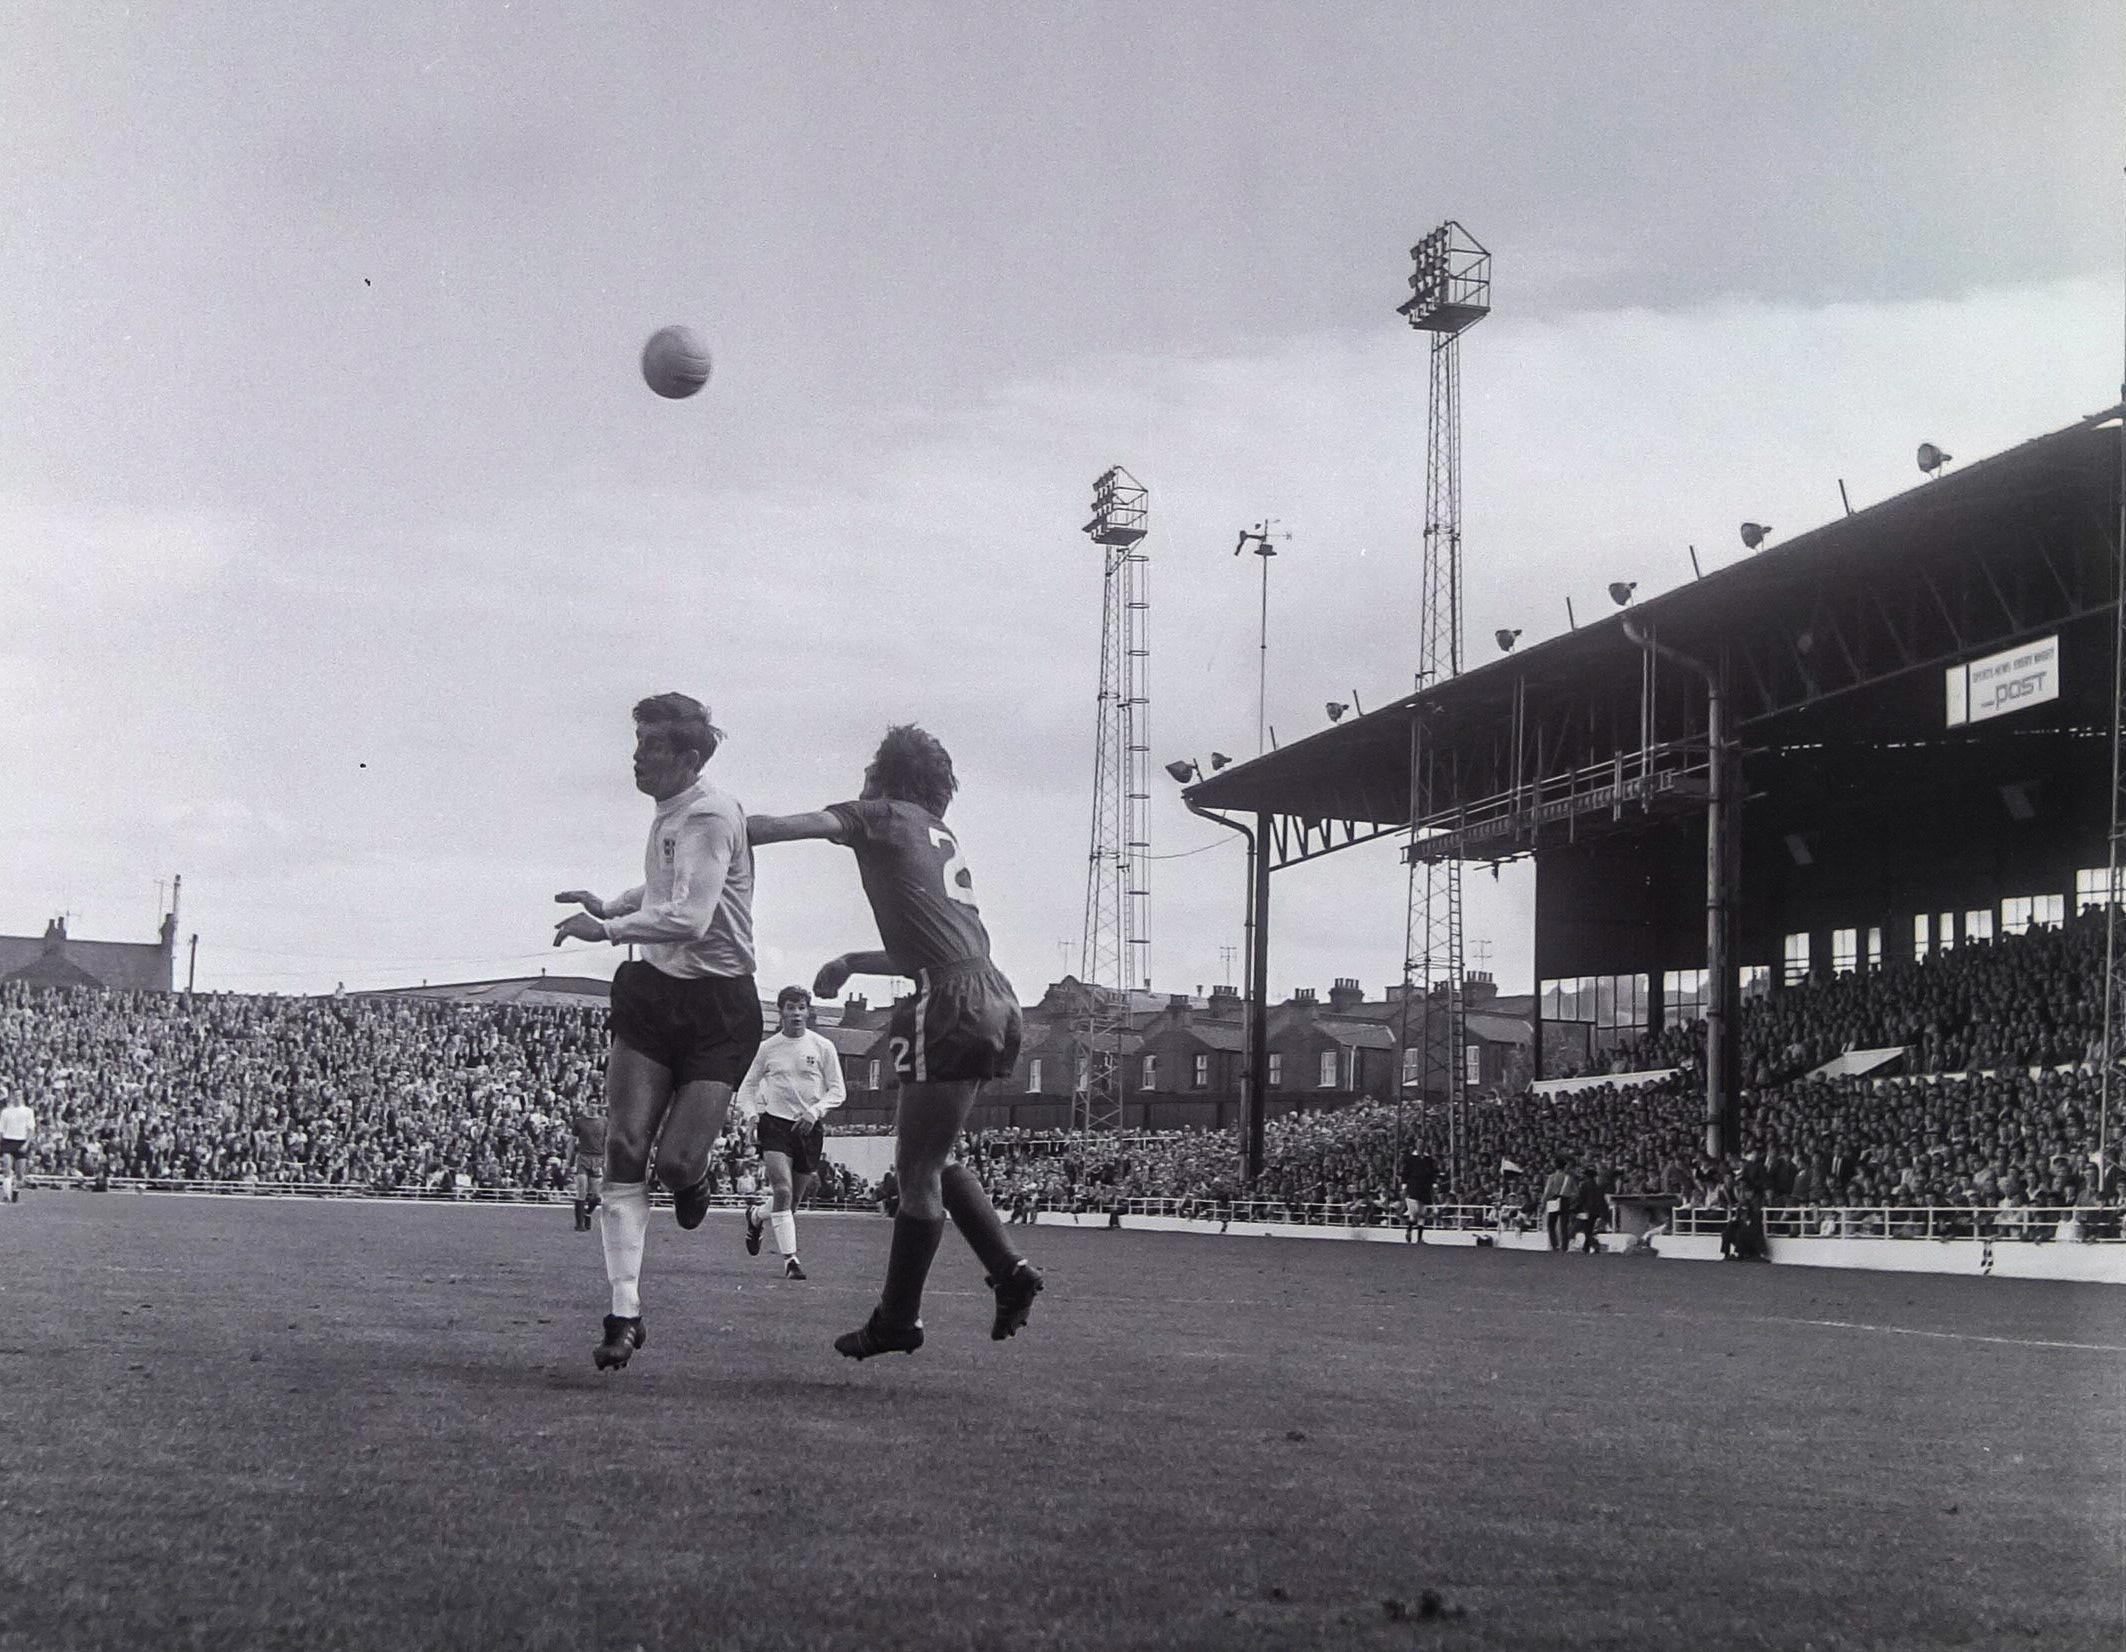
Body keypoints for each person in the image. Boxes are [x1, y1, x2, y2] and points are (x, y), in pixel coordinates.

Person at [748, 724, 1042, 1360]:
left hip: (950, 1001)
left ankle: (898, 1320)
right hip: (989, 990)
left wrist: (709, 825)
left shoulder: (880, 814)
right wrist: (852, 961)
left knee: (916, 1171)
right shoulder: (937, 833)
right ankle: (1009, 1271)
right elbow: (930, 944)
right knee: (935, 1159)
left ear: (884, 774)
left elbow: (780, 827)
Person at [554, 693, 760, 1371]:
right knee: (623, 1143)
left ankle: (693, 1178)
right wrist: (612, 902)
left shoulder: (709, 814)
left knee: (673, 1165)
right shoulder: (672, 811)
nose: (636, 757)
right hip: (653, 992)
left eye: (652, 746)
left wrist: (607, 929)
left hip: (719, 1007)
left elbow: (691, 919)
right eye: (638, 742)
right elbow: (665, 888)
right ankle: (623, 1314)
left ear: (690, 757)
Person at [736, 984, 847, 1279]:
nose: (796, 1013)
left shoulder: (822, 1046)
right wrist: (751, 1117)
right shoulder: (768, 1048)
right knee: (782, 1190)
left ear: (808, 1012)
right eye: (790, 1008)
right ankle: (791, 1261)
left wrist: (815, 1111)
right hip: (775, 1125)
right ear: (781, 1012)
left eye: (801, 1007)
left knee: (791, 1203)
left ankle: (756, 1216)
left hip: (809, 1128)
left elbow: (838, 1090)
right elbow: (747, 1087)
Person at [569, 1106, 606, 1232]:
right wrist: (570, 1160)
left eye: (596, 1103)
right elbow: (572, 1142)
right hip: (583, 1157)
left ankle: (587, 1213)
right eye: (592, 1102)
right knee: (582, 1191)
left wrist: (606, 1159)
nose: (594, 1105)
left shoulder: (604, 1121)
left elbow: (607, 1141)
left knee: (597, 1196)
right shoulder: (580, 1121)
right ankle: (579, 1224)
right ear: (588, 1105)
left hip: (597, 1158)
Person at [1398, 1146, 1439, 1243]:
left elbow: (1432, 1173)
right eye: (1419, 1144)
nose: (1421, 1147)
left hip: (1424, 1189)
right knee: (1415, 1213)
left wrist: (1434, 1183)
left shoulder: (1428, 1159)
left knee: (1422, 1214)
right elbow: (1405, 1173)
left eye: (1422, 1144)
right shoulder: (1411, 1159)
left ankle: (1418, 1237)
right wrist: (1404, 1186)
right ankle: (1409, 1232)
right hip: (1414, 1188)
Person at [0, 1090, 34, 1203]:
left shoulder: (28, 1111)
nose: (17, 1097)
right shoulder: (6, 1112)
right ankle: (6, 1196)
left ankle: (15, 1191)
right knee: (6, 1169)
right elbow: (1, 1130)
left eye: (19, 1095)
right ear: (11, 1096)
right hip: (8, 1141)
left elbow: (31, 1129)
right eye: (15, 1095)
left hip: (21, 1142)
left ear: (22, 1097)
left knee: (20, 1174)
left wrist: (26, 1144)